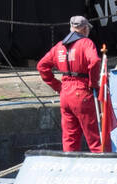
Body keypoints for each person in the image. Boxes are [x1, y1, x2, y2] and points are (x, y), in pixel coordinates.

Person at [37, 15, 102, 152]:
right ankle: (105, 167)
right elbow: (95, 61)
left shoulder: (59, 46)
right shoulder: (86, 43)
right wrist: (94, 83)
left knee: (69, 138)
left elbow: (41, 66)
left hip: (65, 93)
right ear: (84, 29)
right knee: (95, 138)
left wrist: (57, 85)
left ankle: (69, 167)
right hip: (82, 91)